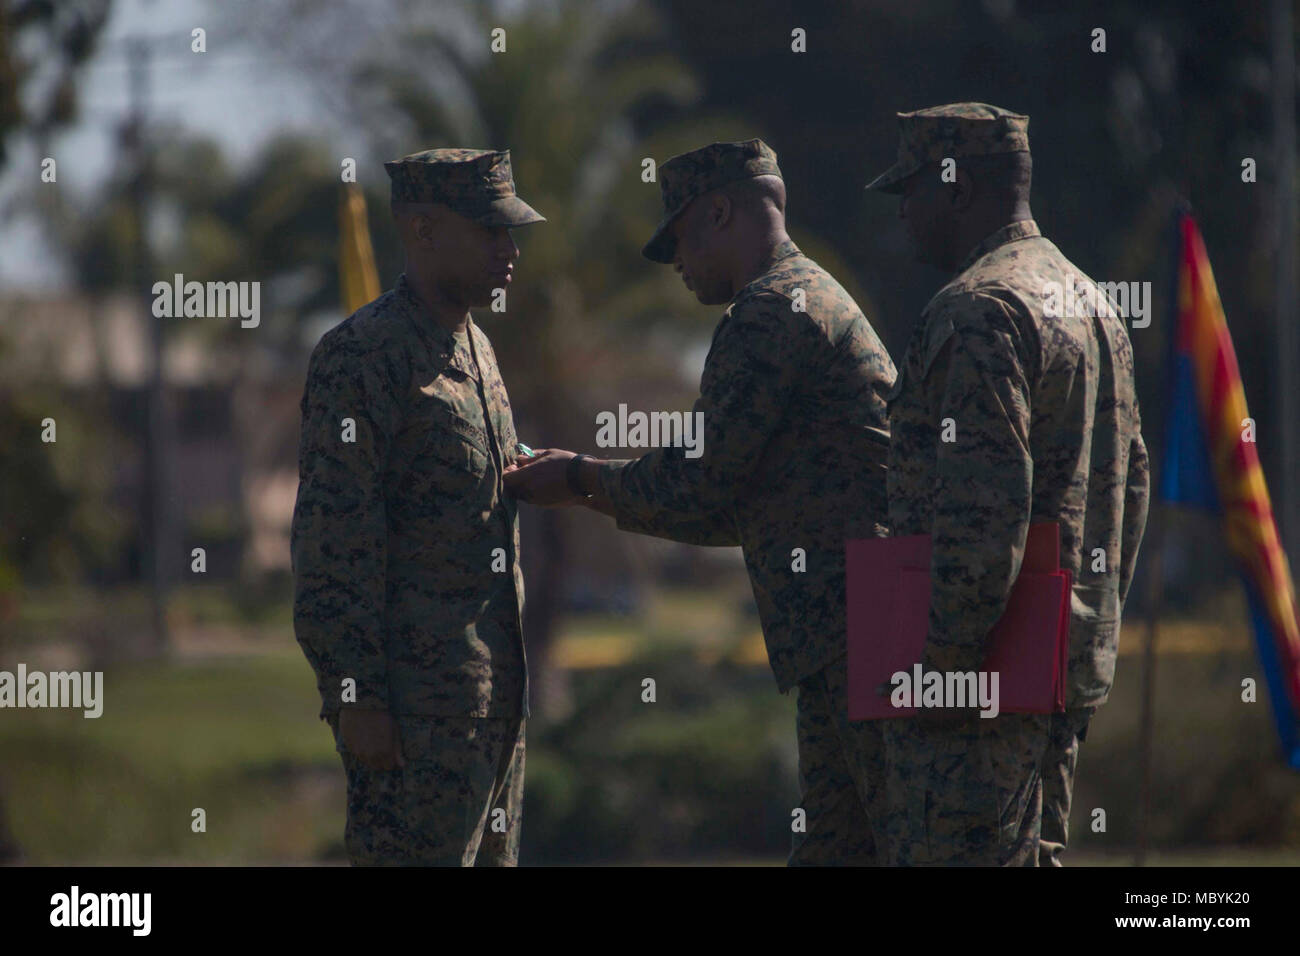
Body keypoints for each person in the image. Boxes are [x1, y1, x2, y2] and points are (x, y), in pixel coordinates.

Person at [505, 139, 897, 864]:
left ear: (720, 211)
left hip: (864, 635)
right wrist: (592, 488)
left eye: (680, 238)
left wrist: (580, 478)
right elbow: (734, 506)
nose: (676, 262)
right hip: (858, 632)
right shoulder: (805, 296)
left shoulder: (770, 313)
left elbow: (696, 484)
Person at [864, 103, 1149, 865]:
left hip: (975, 691)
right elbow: (1132, 486)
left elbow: (982, 522)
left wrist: (935, 673)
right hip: (1057, 669)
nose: (904, 215)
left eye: (911, 191)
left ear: (955, 187)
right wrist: (1086, 621)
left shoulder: (978, 310)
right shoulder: (1093, 304)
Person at [291, 148, 544, 865]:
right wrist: (356, 695)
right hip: (412, 716)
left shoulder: (478, 350)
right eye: (491, 231)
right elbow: (330, 541)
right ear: (423, 230)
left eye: (512, 231)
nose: (511, 249)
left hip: (492, 706)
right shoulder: (362, 356)